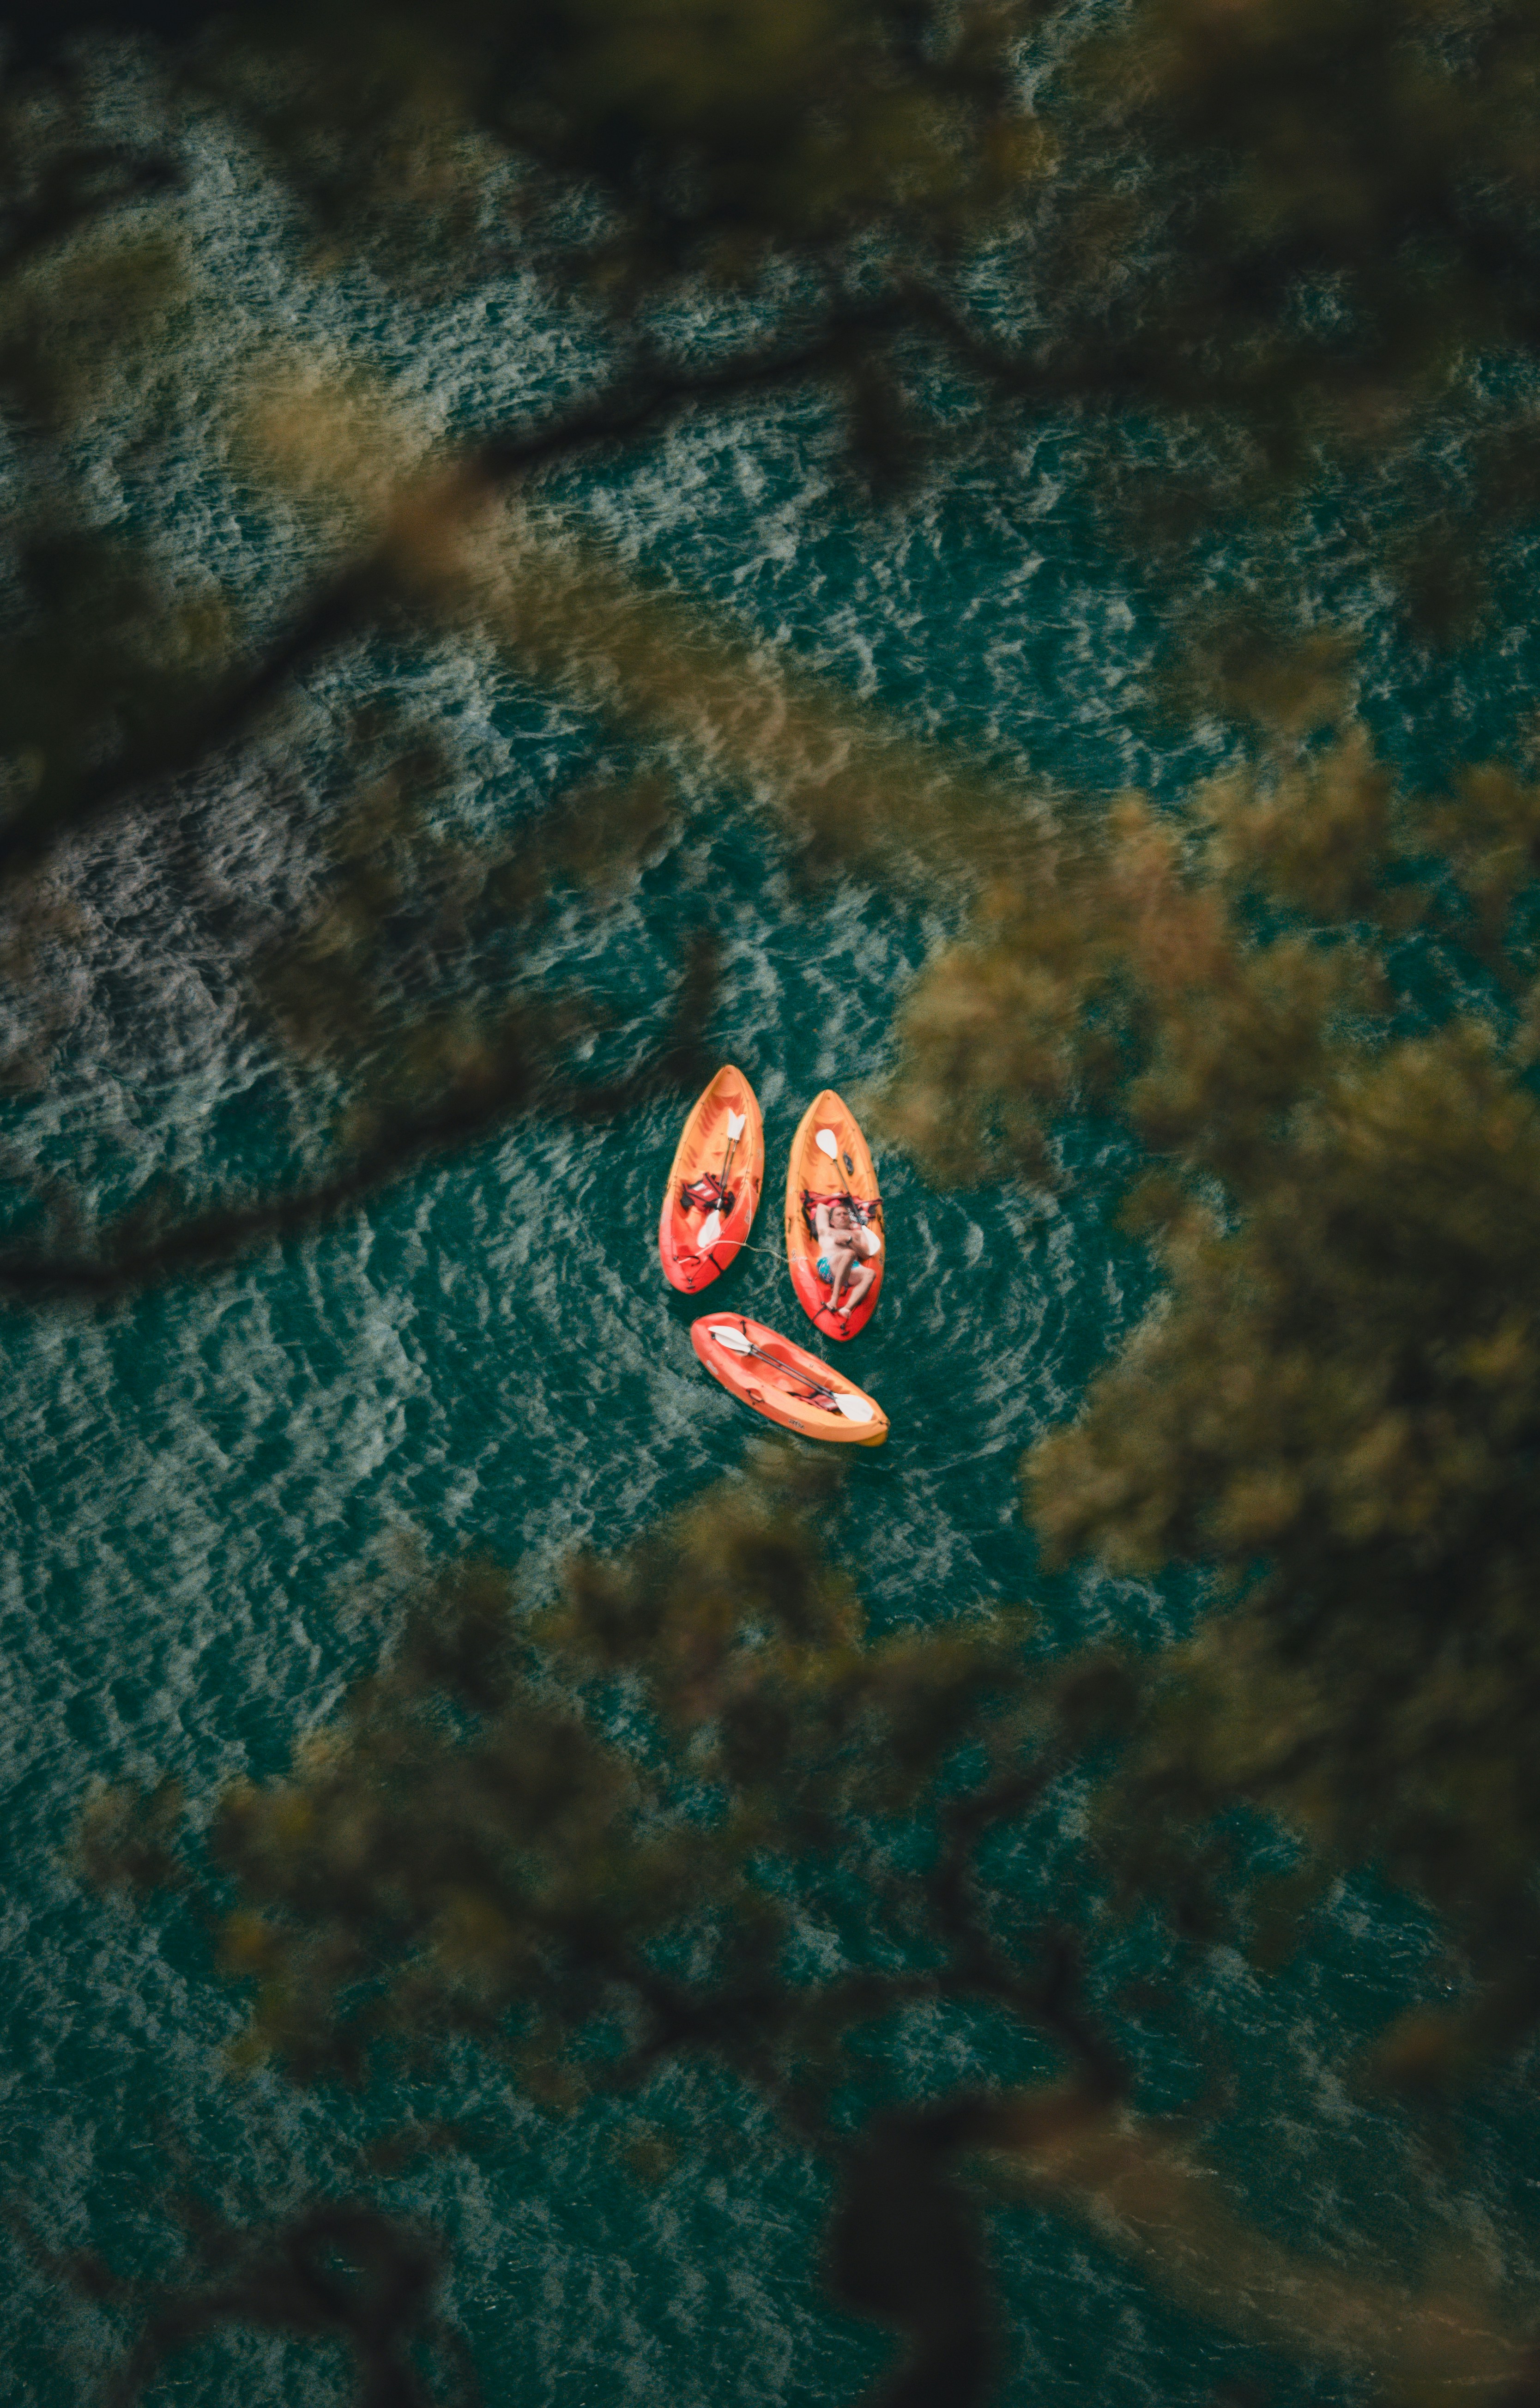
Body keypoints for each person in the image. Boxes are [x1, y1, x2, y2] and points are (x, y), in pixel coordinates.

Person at [812, 1198, 878, 1323]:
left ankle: (847, 1308)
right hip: (828, 1266)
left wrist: (849, 1240)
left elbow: (866, 1254)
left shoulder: (858, 1234)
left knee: (870, 1274)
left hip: (851, 1269)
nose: (843, 1216)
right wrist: (840, 1202)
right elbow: (821, 1207)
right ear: (831, 1221)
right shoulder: (825, 1230)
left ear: (850, 1219)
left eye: (845, 1214)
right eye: (838, 1215)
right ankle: (834, 1299)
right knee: (849, 1253)